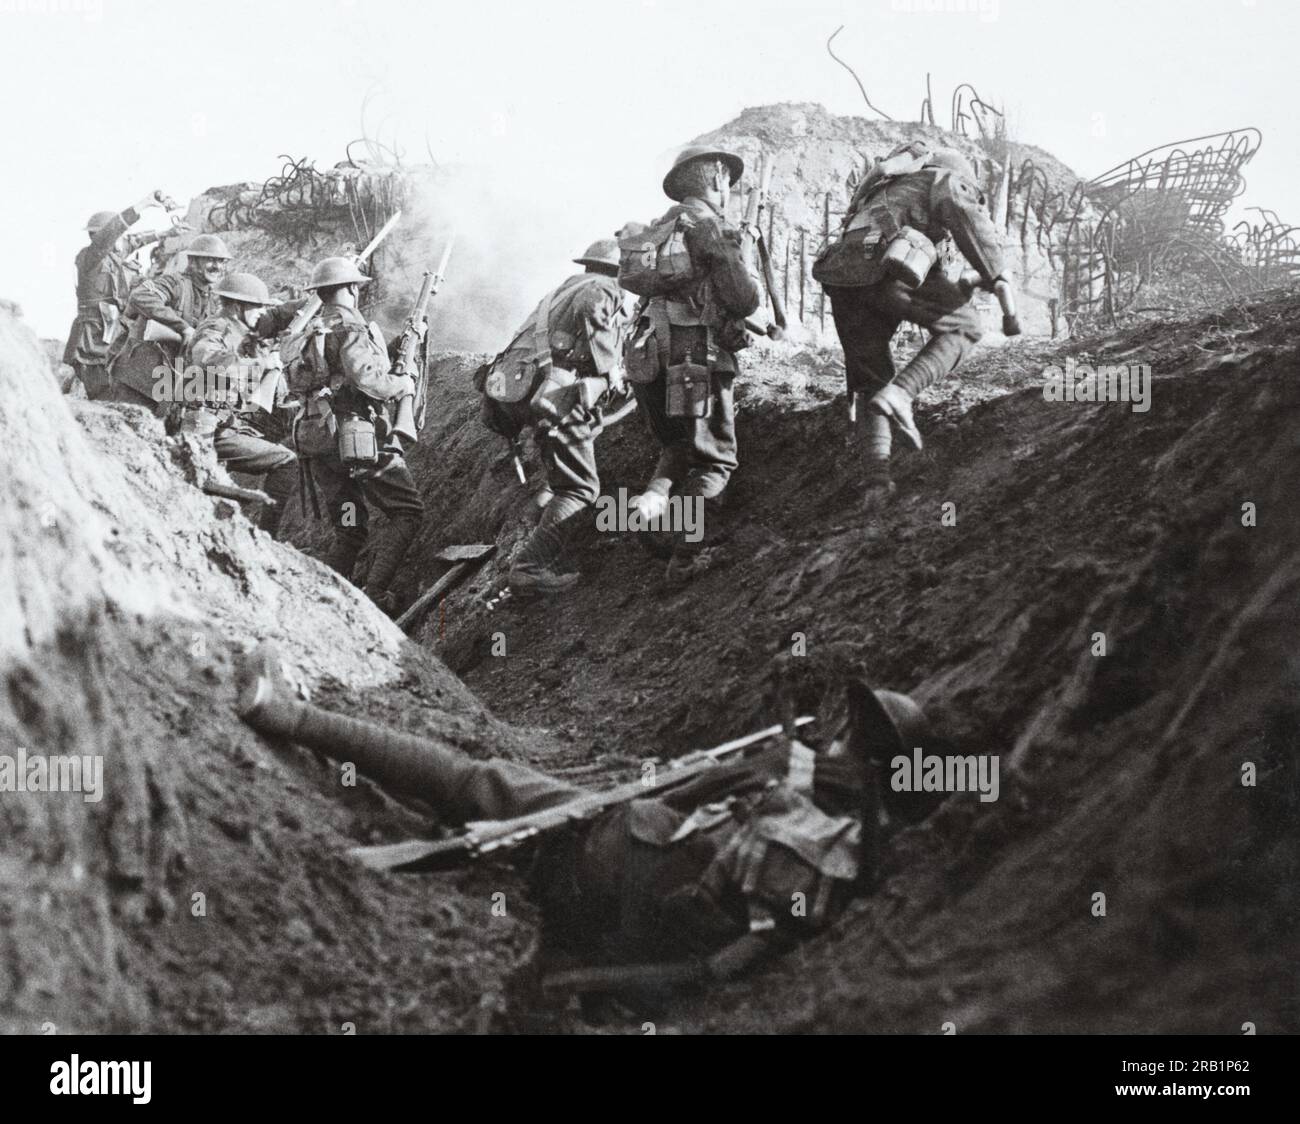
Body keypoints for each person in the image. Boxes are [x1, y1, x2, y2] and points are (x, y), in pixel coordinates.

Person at [238, 651, 934, 1004]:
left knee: (473, 781)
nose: (837, 735)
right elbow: (723, 961)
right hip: (621, 897)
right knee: (484, 802)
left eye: (850, 730)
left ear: (855, 741)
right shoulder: (843, 856)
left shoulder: (792, 770)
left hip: (598, 853)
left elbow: (685, 797)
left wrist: (595, 974)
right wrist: (601, 975)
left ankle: (290, 718)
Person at [815, 143, 1013, 511]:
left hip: (843, 278)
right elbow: (962, 211)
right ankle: (901, 395)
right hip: (888, 266)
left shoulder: (880, 192)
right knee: (966, 326)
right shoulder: (945, 175)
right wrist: (996, 272)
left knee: (870, 381)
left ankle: (876, 482)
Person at [620, 145, 762, 586]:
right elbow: (744, 300)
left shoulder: (659, 228)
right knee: (713, 463)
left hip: (646, 357)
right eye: (728, 181)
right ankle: (684, 559)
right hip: (692, 356)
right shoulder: (708, 226)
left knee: (676, 449)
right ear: (717, 176)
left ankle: (645, 520)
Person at [478, 238, 635, 596]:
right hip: (551, 393)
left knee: (565, 471)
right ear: (619, 271)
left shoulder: (561, 290)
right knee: (581, 488)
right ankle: (529, 568)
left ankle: (541, 509)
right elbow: (593, 309)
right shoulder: (602, 289)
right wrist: (610, 369)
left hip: (519, 390)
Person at [273, 256, 426, 613]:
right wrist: (400, 383)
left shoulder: (310, 330)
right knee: (408, 512)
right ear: (353, 288)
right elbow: (365, 378)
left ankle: (325, 603)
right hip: (355, 440)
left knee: (350, 526)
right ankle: (374, 594)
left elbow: (330, 373)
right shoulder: (351, 326)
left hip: (318, 440)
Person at [180, 271, 298, 537]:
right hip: (202, 427)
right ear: (237, 306)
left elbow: (276, 320)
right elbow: (205, 358)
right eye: (256, 306)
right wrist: (262, 364)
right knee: (285, 462)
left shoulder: (240, 331)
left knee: (285, 460)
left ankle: (261, 535)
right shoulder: (216, 328)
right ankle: (265, 537)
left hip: (222, 425)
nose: (261, 313)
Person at [62, 191, 183, 401]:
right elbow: (111, 237)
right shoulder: (90, 257)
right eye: (119, 237)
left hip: (110, 330)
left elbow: (133, 242)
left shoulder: (112, 256)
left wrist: (165, 233)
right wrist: (141, 205)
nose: (124, 241)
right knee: (99, 385)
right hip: (92, 334)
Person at [109, 233, 233, 407]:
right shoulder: (175, 283)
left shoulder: (212, 300)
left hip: (166, 384)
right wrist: (182, 327)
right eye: (210, 260)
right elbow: (141, 296)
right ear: (193, 262)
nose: (217, 266)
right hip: (136, 379)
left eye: (221, 262)